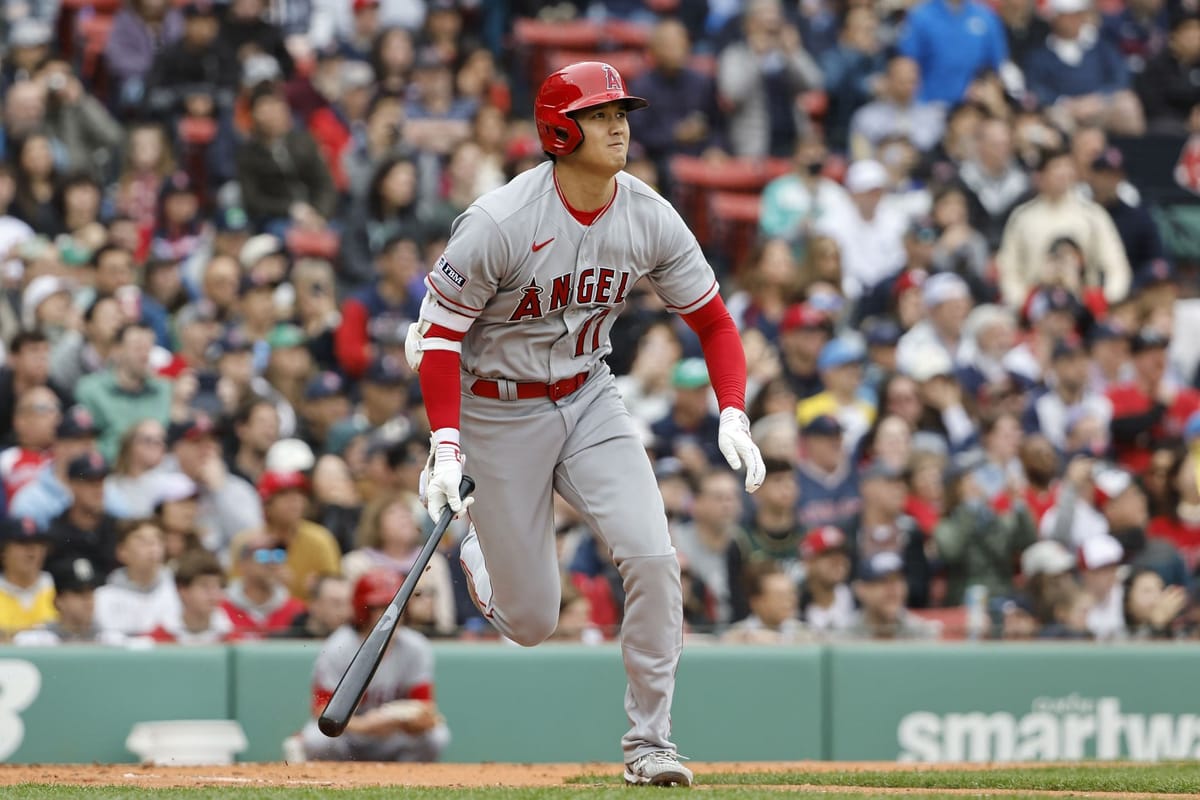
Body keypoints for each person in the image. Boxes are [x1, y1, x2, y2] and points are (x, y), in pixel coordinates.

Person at [407, 60, 764, 787]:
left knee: (655, 559)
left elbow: (716, 322)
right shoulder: (501, 220)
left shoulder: (648, 213)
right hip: (496, 409)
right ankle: (477, 554)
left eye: (622, 113)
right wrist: (446, 443)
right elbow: (439, 339)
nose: (619, 126)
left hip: (588, 396)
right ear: (558, 130)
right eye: (601, 115)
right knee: (533, 622)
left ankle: (650, 744)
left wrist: (733, 407)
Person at [301, 568, 450, 762]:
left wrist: (412, 721)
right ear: (362, 609)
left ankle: (405, 783)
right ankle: (337, 782)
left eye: (396, 606)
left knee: (436, 736)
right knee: (317, 740)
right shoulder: (339, 645)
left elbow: (423, 704)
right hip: (350, 734)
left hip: (394, 734)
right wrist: (366, 726)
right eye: (380, 607)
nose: (391, 614)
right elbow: (321, 709)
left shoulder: (416, 646)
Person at [94, 519, 180, 637]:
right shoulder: (102, 598)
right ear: (122, 551)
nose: (152, 548)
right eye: (142, 541)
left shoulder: (181, 590)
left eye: (157, 540)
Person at [13, 557, 123, 645]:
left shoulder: (109, 639)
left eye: (90, 593)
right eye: (79, 593)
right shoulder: (40, 640)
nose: (87, 601)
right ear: (59, 600)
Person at [223, 533, 307, 636]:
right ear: (243, 565)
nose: (272, 563)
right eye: (263, 556)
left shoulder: (296, 611)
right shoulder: (220, 609)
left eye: (278, 555)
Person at [149, 549, 238, 644]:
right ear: (183, 591)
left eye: (218, 586)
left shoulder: (232, 637)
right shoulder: (161, 638)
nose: (214, 594)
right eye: (205, 586)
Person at [846, 551, 940, 639]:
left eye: (899, 580)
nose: (893, 589)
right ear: (861, 589)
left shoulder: (922, 633)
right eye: (883, 581)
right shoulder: (845, 634)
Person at [721, 561, 810, 643]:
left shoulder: (807, 636)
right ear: (756, 602)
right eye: (780, 596)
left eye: (792, 593)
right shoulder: (733, 639)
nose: (791, 600)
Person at [0, 516, 56, 638]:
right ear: (3, 551)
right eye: (23, 543)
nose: (32, 551)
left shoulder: (57, 586)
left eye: (37, 544)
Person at [799, 525, 856, 634]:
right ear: (808, 562)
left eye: (842, 553)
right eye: (828, 554)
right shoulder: (795, 605)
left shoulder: (858, 599)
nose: (839, 560)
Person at [272, 574, 352, 639]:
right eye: (336, 603)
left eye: (349, 603)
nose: (346, 611)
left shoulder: (356, 642)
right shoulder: (283, 643)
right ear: (314, 605)